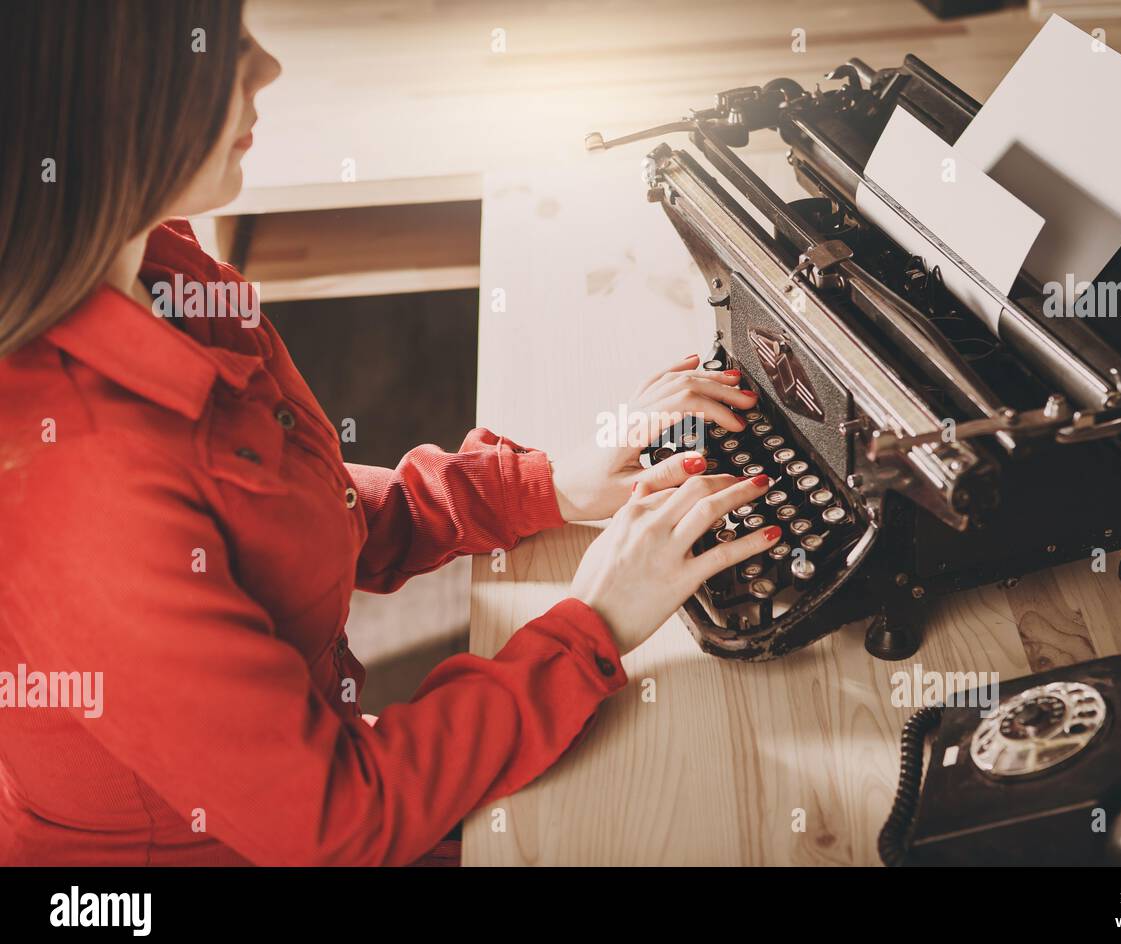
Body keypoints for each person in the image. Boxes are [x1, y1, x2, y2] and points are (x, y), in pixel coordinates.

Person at [0, 0, 779, 865]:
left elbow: (282, 519)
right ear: (100, 102)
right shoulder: (77, 490)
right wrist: (593, 623)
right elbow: (335, 823)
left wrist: (543, 484)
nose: (266, 70)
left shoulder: (151, 259)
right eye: (217, 52)